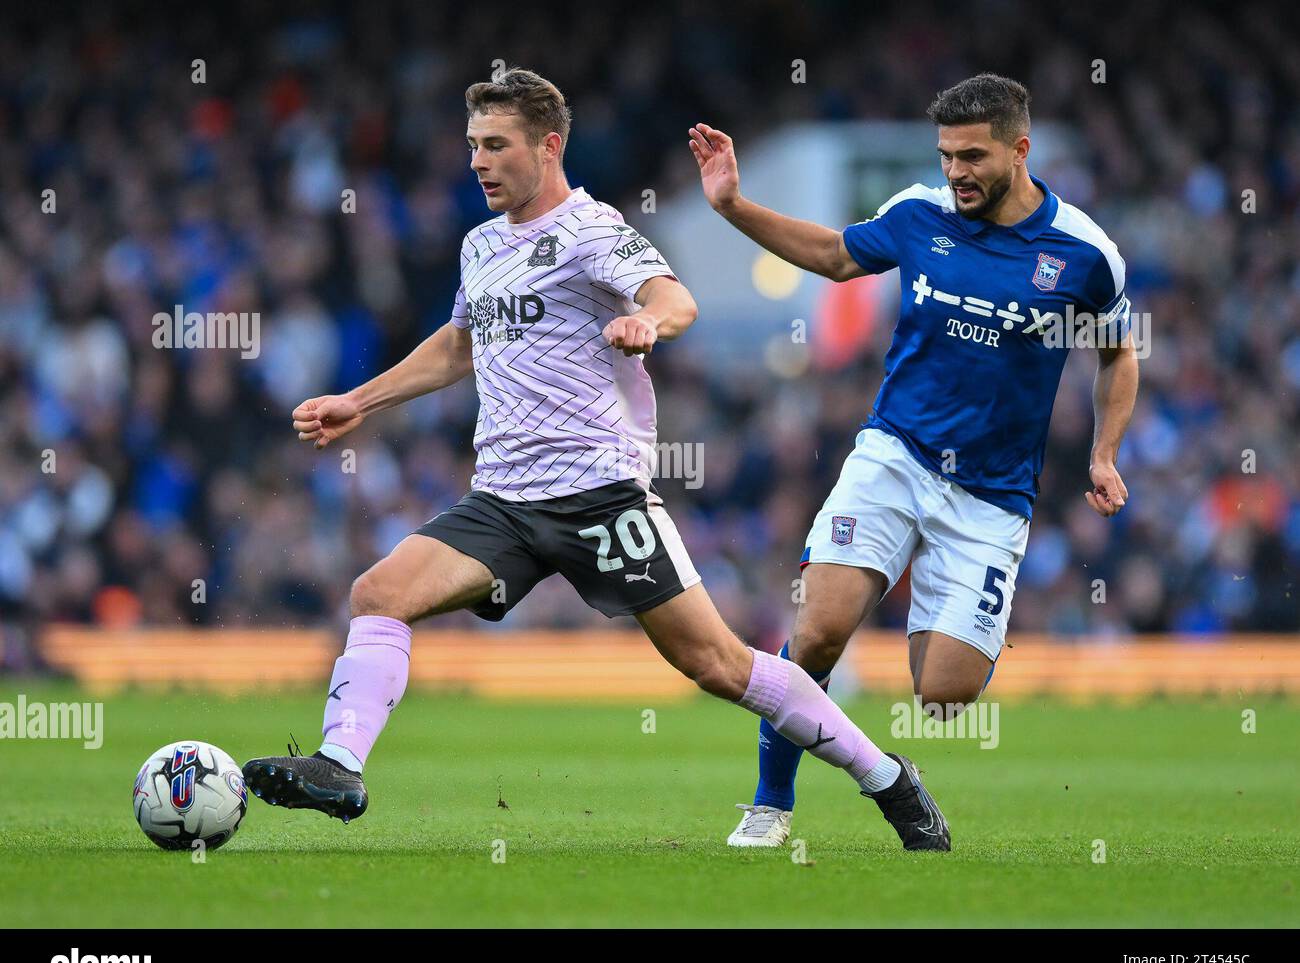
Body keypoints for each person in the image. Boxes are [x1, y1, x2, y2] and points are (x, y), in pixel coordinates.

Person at [242, 68, 949, 852]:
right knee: (379, 592)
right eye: (473, 144)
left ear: (547, 148)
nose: (478, 161)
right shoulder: (481, 245)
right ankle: (341, 765)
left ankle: (887, 778)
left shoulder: (592, 229)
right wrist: (359, 402)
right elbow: (458, 347)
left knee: (715, 663)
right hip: (504, 502)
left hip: (600, 498)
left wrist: (648, 322)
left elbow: (676, 298)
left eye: (496, 145)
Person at [689, 73, 1137, 848]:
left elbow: (1118, 353)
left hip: (993, 496)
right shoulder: (918, 213)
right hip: (895, 455)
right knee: (820, 633)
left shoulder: (1085, 255)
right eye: (946, 156)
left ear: (1020, 149)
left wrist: (1104, 452)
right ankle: (770, 802)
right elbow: (833, 256)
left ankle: (914, 732)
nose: (956, 172)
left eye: (972, 156)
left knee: (943, 696)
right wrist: (732, 205)